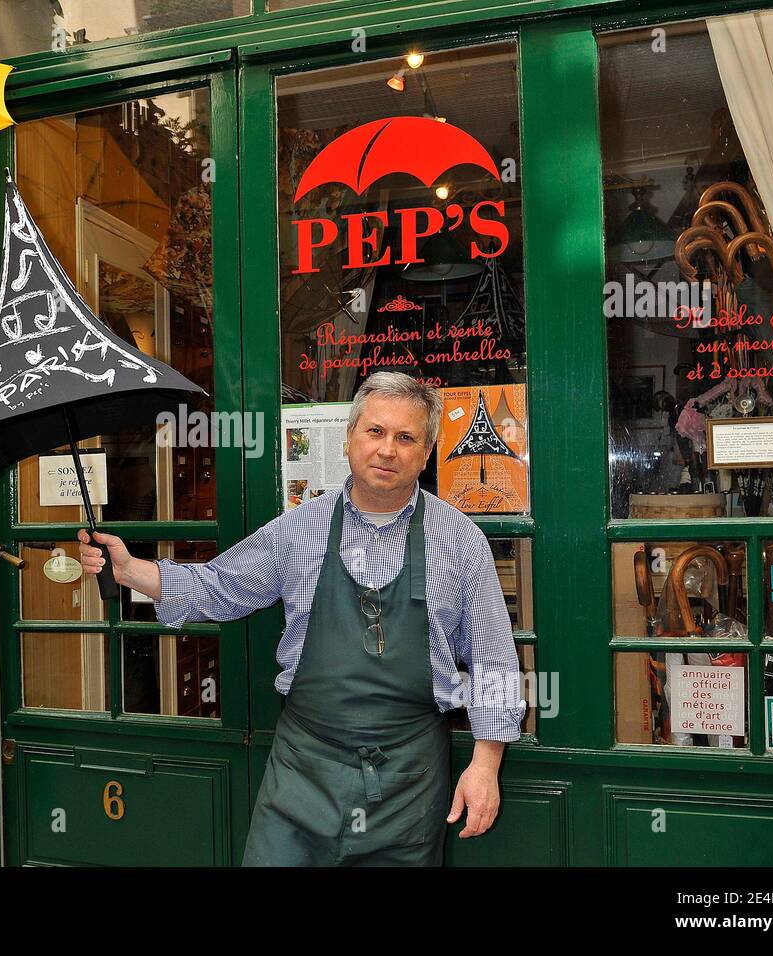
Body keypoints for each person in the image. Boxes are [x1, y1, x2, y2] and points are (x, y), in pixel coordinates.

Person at [77, 371, 525, 866]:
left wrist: (486, 765)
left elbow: (494, 659)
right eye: (375, 431)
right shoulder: (299, 528)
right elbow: (221, 586)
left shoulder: (460, 541)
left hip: (409, 780)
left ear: (426, 453)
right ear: (350, 438)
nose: (387, 449)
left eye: (406, 437)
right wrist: (130, 570)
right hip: (302, 771)